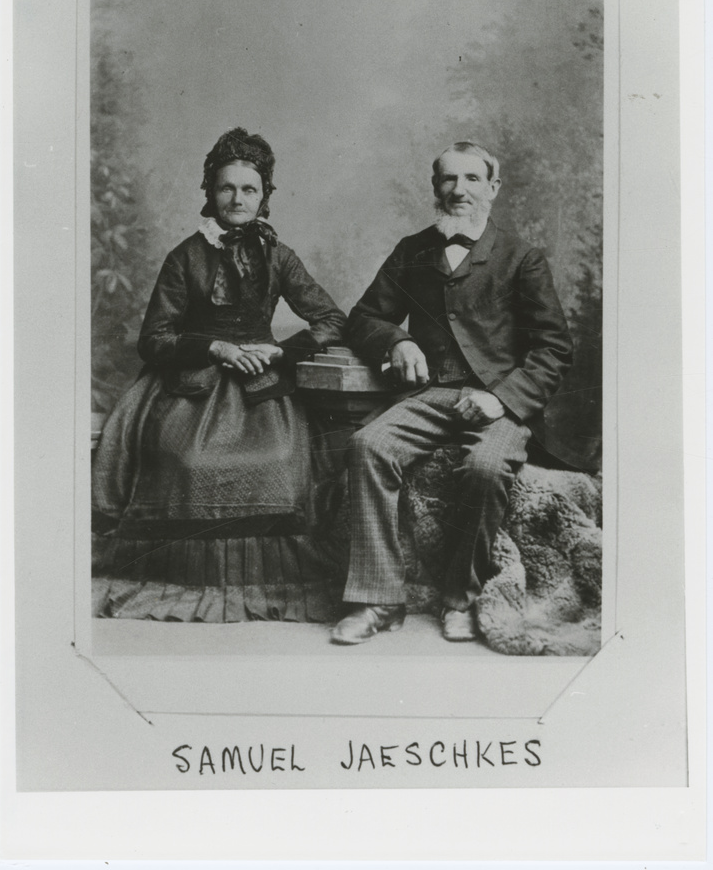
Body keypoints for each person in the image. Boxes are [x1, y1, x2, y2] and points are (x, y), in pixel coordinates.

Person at [331, 140, 573, 645]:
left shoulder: (521, 258)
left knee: (484, 468)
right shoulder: (413, 251)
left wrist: (502, 399)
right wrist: (397, 340)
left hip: (500, 402)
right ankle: (378, 600)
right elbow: (364, 317)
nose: (458, 189)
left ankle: (460, 597)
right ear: (435, 187)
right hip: (432, 395)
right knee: (367, 446)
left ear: (492, 187)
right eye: (448, 179)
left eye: (471, 179)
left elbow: (553, 348)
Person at [92, 128, 346, 606]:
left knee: (281, 462)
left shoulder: (278, 255)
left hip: (263, 386)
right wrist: (214, 348)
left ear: (264, 196)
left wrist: (280, 351)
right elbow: (154, 340)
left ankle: (266, 580)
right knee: (189, 462)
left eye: (249, 189)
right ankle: (188, 578)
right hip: (191, 387)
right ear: (210, 191)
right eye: (227, 187)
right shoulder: (185, 257)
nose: (237, 198)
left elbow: (332, 319)